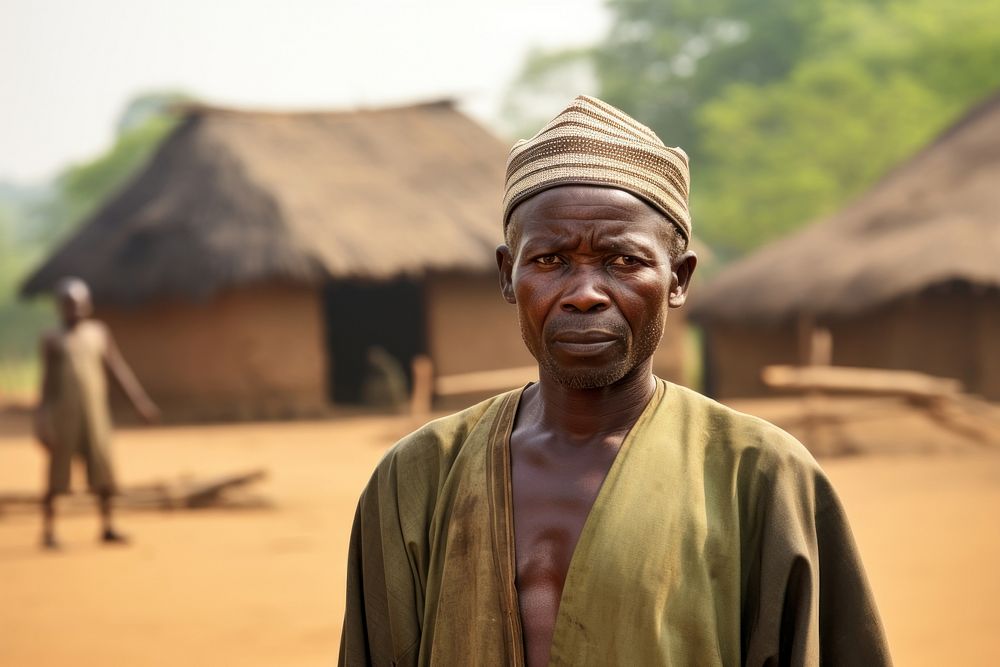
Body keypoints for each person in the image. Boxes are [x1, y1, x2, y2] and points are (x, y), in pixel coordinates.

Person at [339, 96, 891, 666]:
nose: (584, 293)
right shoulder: (418, 476)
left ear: (677, 280)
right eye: (551, 260)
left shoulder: (761, 476)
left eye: (623, 262)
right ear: (509, 276)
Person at [35, 277, 160, 549]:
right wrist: (42, 420)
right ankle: (49, 531)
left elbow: (118, 371)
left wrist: (140, 402)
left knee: (103, 470)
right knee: (57, 474)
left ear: (88, 305)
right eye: (68, 304)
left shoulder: (98, 333)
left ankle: (107, 526)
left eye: (79, 304)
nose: (74, 310)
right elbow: (44, 385)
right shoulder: (52, 340)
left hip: (95, 414)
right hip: (63, 416)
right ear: (60, 307)